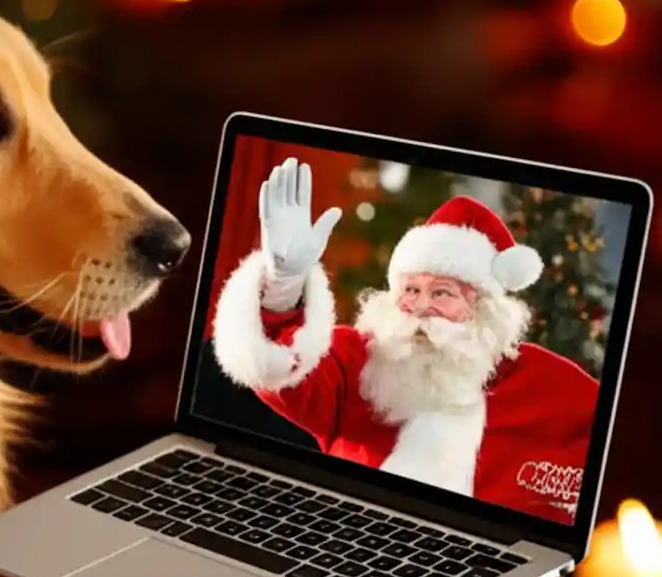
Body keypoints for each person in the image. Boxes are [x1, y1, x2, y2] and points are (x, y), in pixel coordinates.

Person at [212, 158, 599, 525]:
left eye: (442, 293)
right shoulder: (359, 359)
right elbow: (279, 368)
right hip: (350, 542)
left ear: (482, 309)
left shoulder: (547, 383)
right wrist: (284, 285)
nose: (420, 308)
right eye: (411, 289)